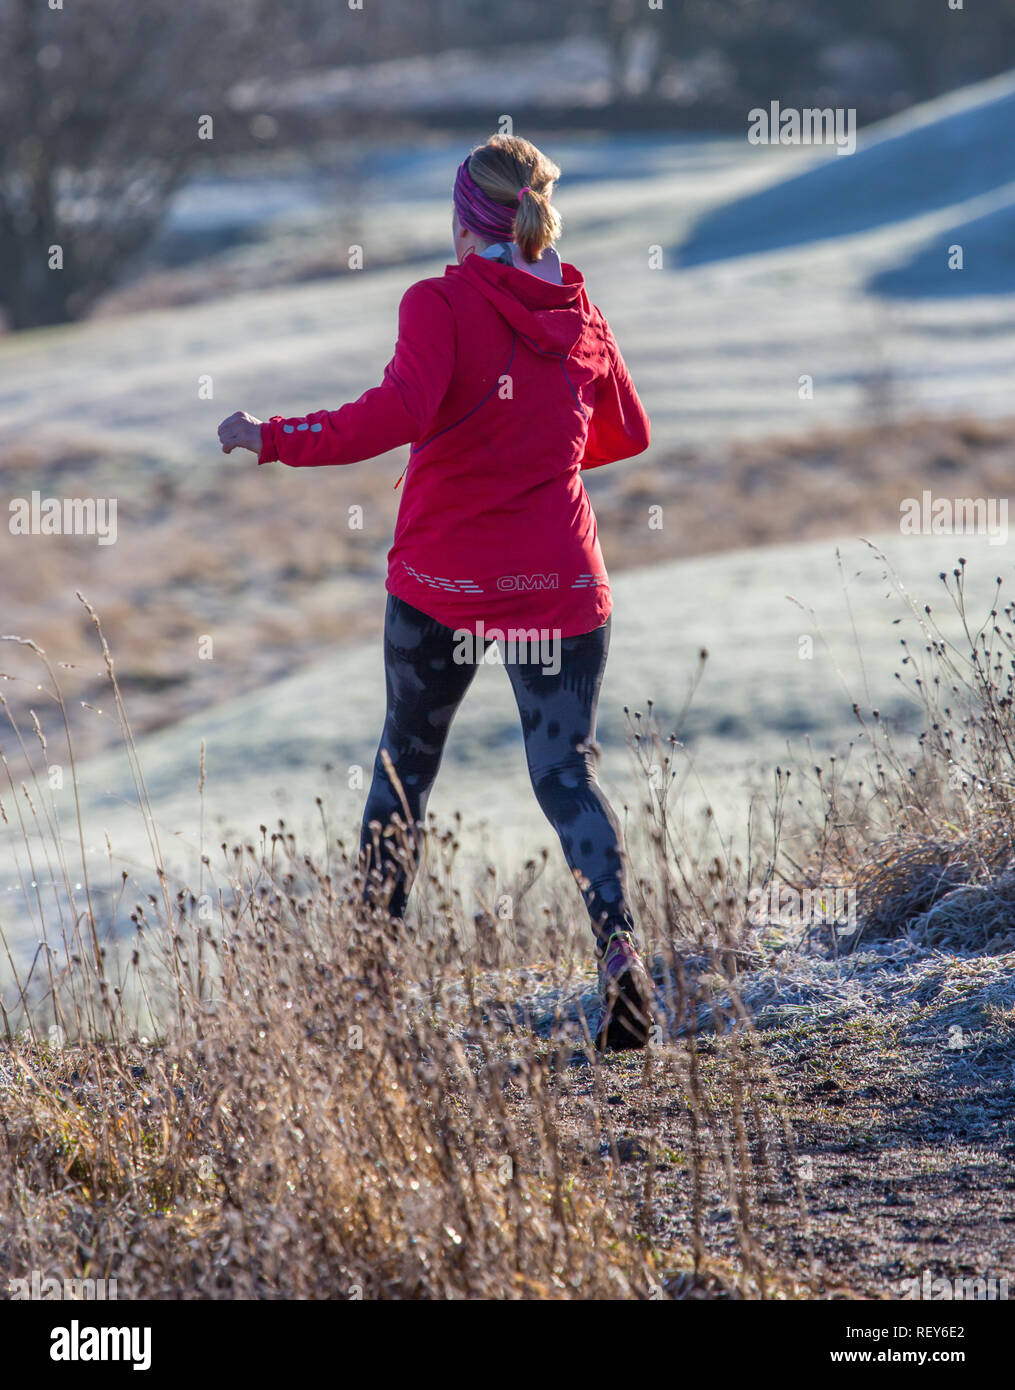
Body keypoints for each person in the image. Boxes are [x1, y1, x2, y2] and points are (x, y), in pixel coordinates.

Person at [218, 135, 653, 1048]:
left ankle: (367, 997)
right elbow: (625, 432)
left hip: (444, 583)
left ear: (462, 222)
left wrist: (272, 435)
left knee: (402, 775)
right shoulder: (578, 306)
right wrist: (533, 452)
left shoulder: (439, 302)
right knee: (566, 774)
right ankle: (622, 961)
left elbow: (392, 416)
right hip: (560, 583)